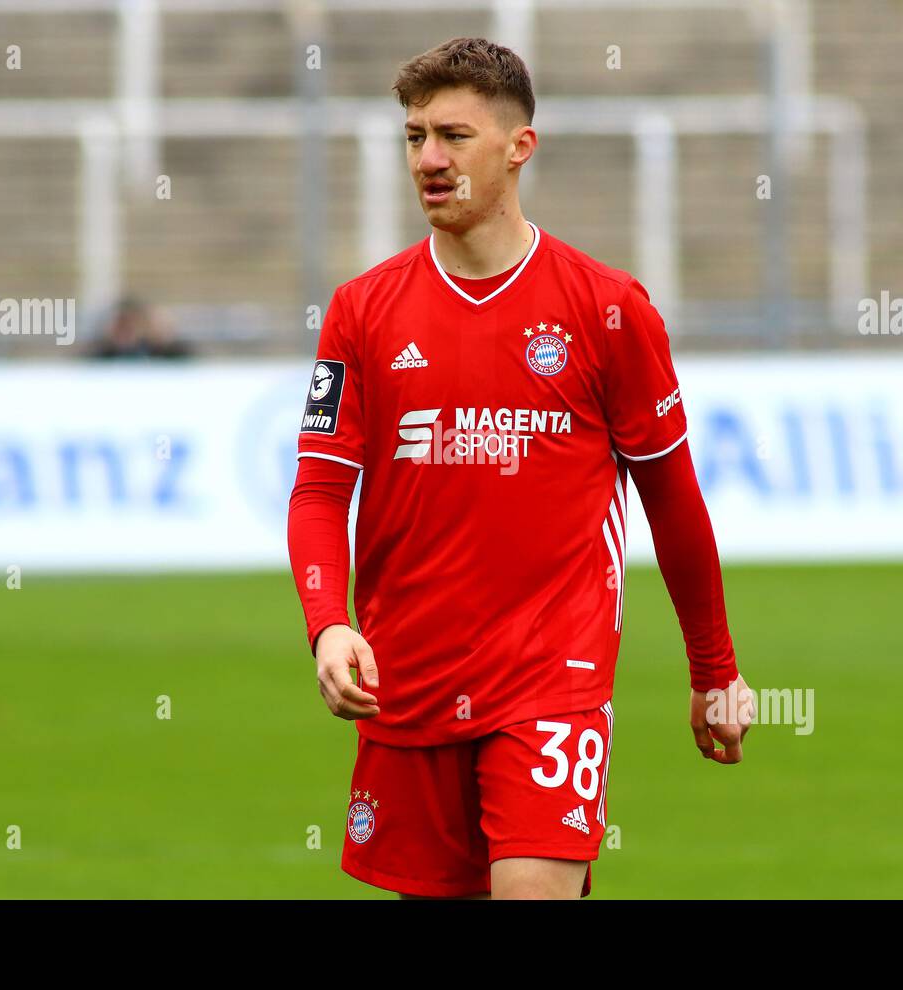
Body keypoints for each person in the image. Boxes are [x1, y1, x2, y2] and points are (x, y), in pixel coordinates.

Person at [287, 37, 751, 899]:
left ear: (517, 147)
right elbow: (319, 488)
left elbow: (674, 503)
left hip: (552, 680)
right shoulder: (360, 311)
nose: (428, 158)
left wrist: (714, 671)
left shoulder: (608, 309)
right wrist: (328, 623)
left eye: (453, 136)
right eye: (414, 136)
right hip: (408, 682)